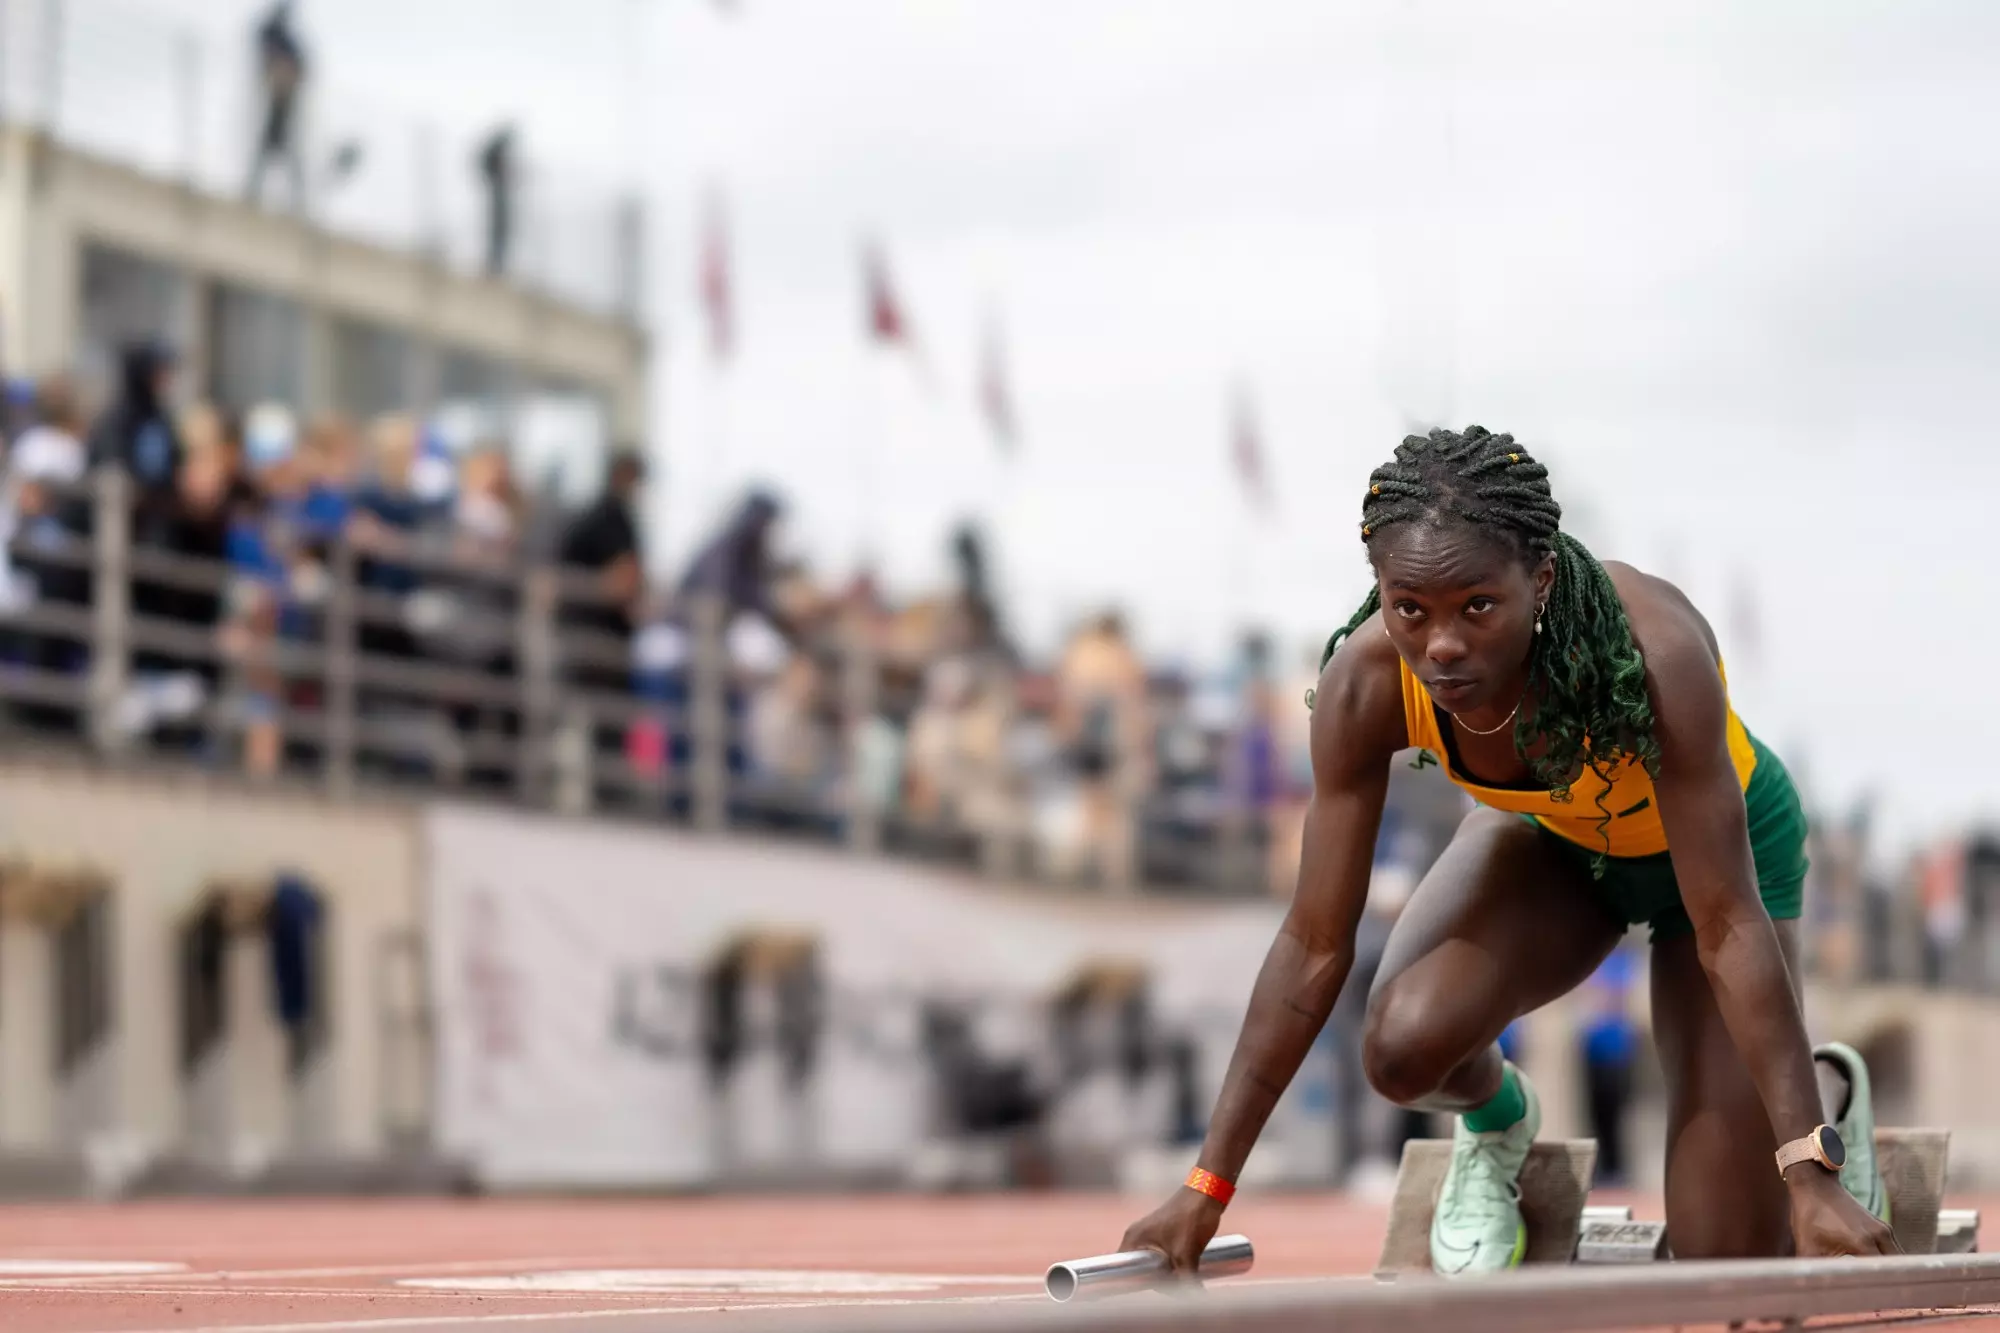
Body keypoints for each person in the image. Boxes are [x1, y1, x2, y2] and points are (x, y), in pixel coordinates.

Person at [1118, 425, 1897, 1277]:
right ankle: (1497, 1125)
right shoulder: (1367, 683)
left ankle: (1824, 1105)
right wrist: (1206, 1183)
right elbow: (1312, 943)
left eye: (1477, 607)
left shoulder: (1656, 653)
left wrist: (1807, 1172)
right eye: (1409, 608)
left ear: (1543, 577)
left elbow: (1727, 923)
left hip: (1712, 866)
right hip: (1552, 842)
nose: (1442, 645)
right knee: (1402, 1049)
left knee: (1728, 1256)